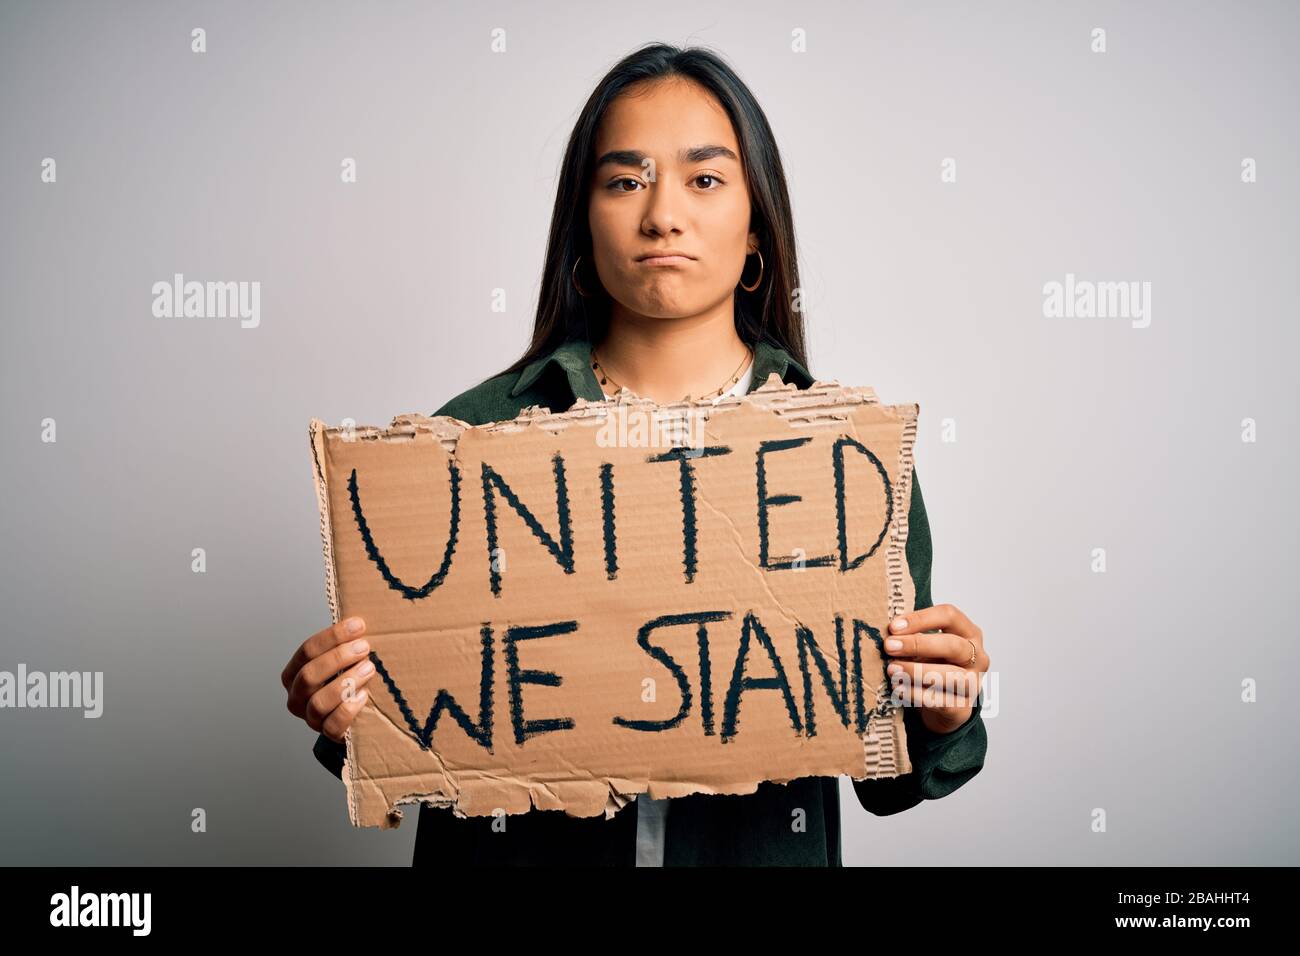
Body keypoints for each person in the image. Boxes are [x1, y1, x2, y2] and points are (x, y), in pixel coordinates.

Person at [281, 42, 990, 866]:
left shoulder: (844, 462)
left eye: (705, 179)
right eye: (625, 181)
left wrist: (944, 709)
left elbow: (889, 778)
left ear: (756, 225)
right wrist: (342, 710)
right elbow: (415, 739)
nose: (662, 214)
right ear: (583, 219)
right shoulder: (468, 445)